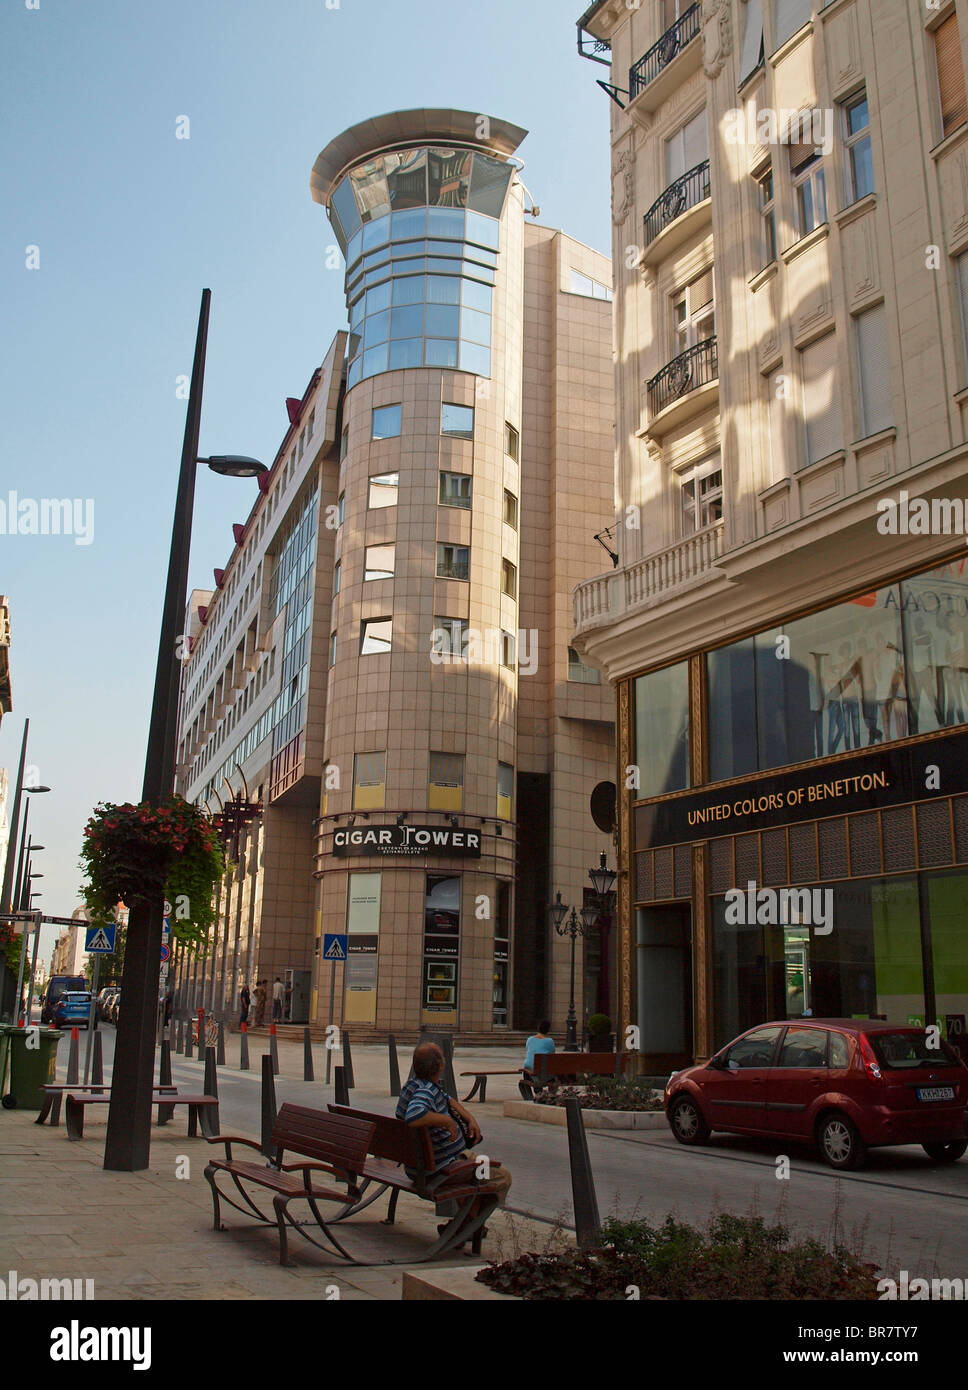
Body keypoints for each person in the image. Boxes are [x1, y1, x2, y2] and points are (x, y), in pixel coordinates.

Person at [396, 1042, 511, 1223]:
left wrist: (469, 1118)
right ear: (441, 1066)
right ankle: (466, 1226)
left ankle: (464, 1225)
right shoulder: (427, 1091)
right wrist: (447, 1121)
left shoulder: (413, 1085)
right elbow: (414, 1115)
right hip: (441, 1171)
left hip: (418, 1167)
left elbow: (447, 1099)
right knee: (501, 1176)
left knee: (472, 1164)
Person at [520, 1020, 556, 1099]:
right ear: (548, 1030)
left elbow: (528, 1049)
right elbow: (552, 1054)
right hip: (544, 1074)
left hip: (529, 1074)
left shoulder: (530, 1039)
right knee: (549, 1070)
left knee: (533, 1069)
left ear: (538, 1028)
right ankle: (551, 1095)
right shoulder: (549, 1041)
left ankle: (538, 1093)